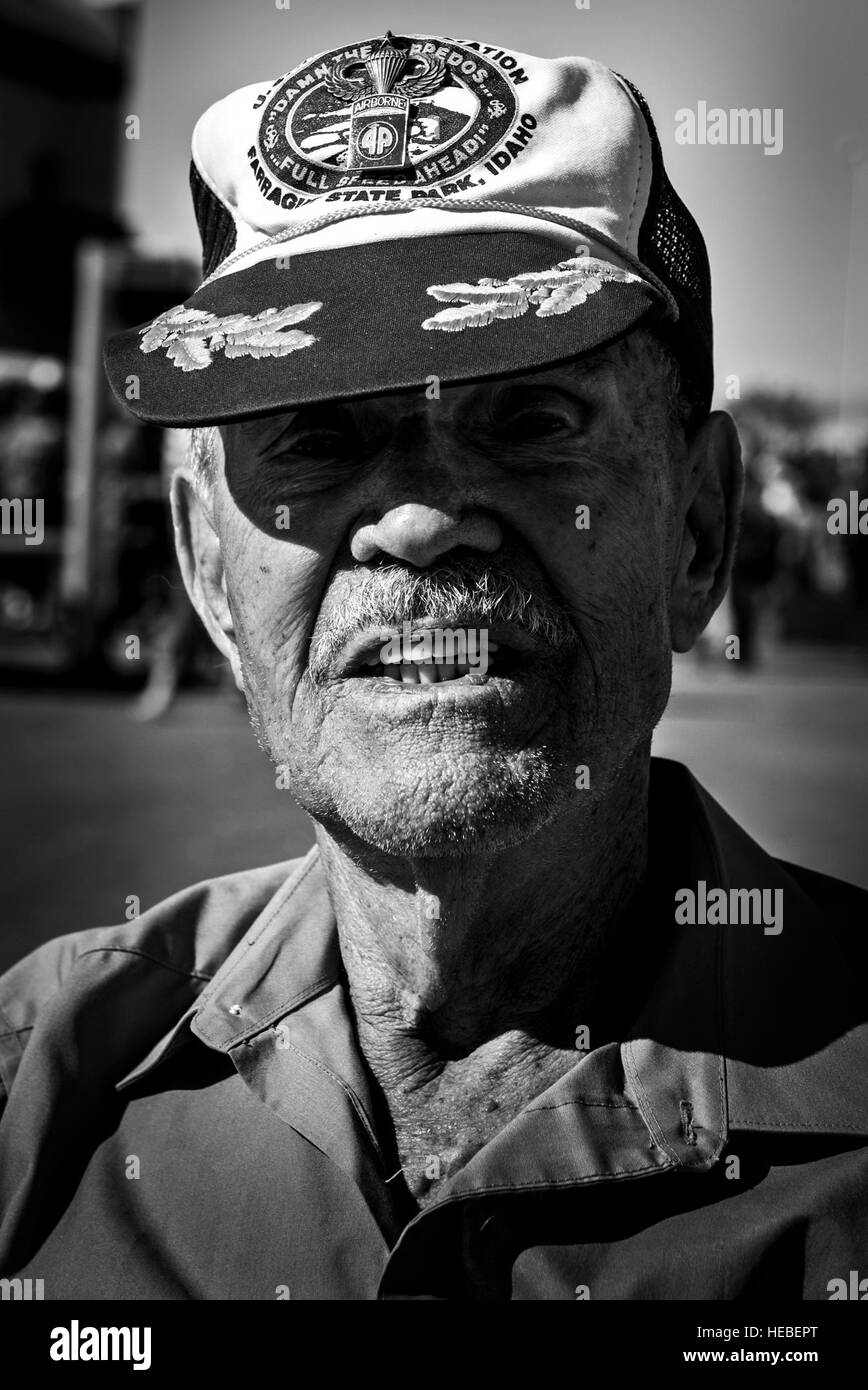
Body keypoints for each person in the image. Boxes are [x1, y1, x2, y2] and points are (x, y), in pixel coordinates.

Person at [1, 31, 866, 1302]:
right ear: (205, 563)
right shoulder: (32, 1086)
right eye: (318, 435)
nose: (416, 520)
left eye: (529, 417)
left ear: (697, 528)